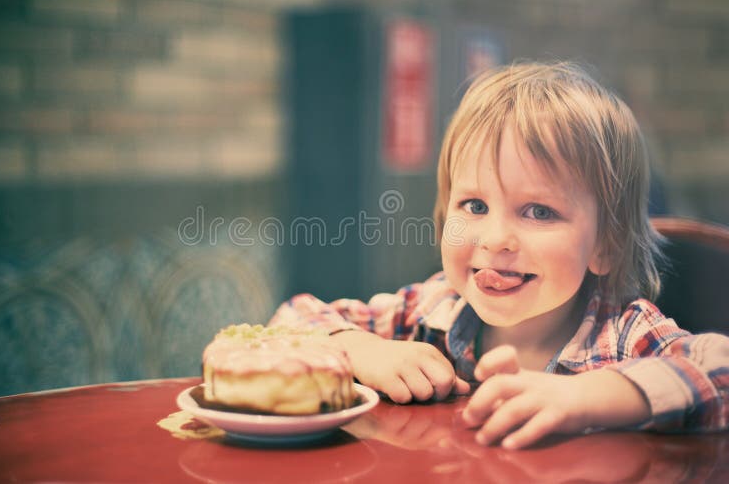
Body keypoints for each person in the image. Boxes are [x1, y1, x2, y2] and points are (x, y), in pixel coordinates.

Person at [269, 61, 729, 449]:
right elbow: (290, 320)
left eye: (539, 211)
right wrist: (357, 349)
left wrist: (592, 396)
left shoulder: (622, 335)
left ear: (605, 245)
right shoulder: (431, 313)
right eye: (475, 205)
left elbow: (720, 369)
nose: (496, 238)